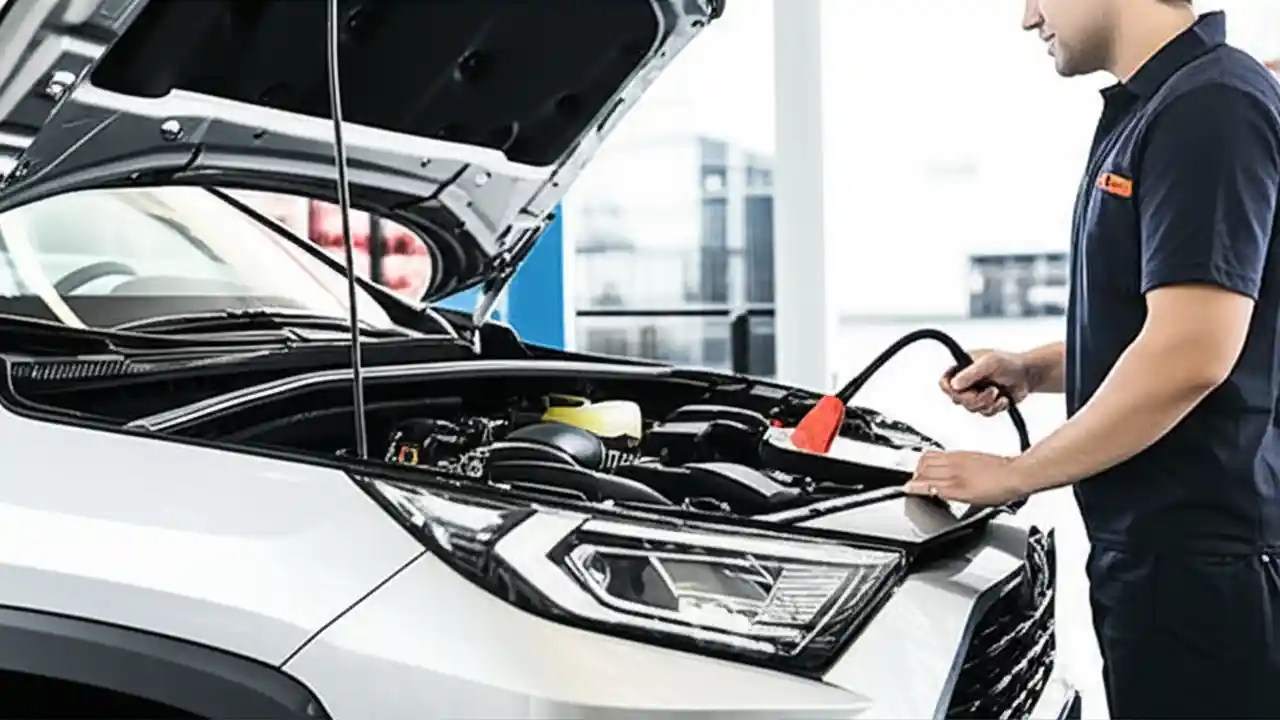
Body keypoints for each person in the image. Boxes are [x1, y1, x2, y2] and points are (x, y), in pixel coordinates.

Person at [902, 1, 1280, 718]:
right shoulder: (1162, 105)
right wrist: (1034, 369)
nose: (1028, 17)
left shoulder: (1212, 105)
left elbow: (1192, 354)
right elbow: (1162, 327)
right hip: (1161, 559)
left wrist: (1014, 474)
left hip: (1207, 568)